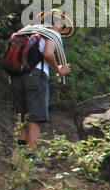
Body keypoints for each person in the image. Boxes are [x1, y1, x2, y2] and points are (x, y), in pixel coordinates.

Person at [9, 12, 71, 150]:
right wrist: (59, 70)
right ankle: (31, 160)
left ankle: (17, 160)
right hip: (36, 77)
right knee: (34, 120)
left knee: (23, 120)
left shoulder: (28, 30)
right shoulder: (52, 33)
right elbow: (48, 53)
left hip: (16, 76)